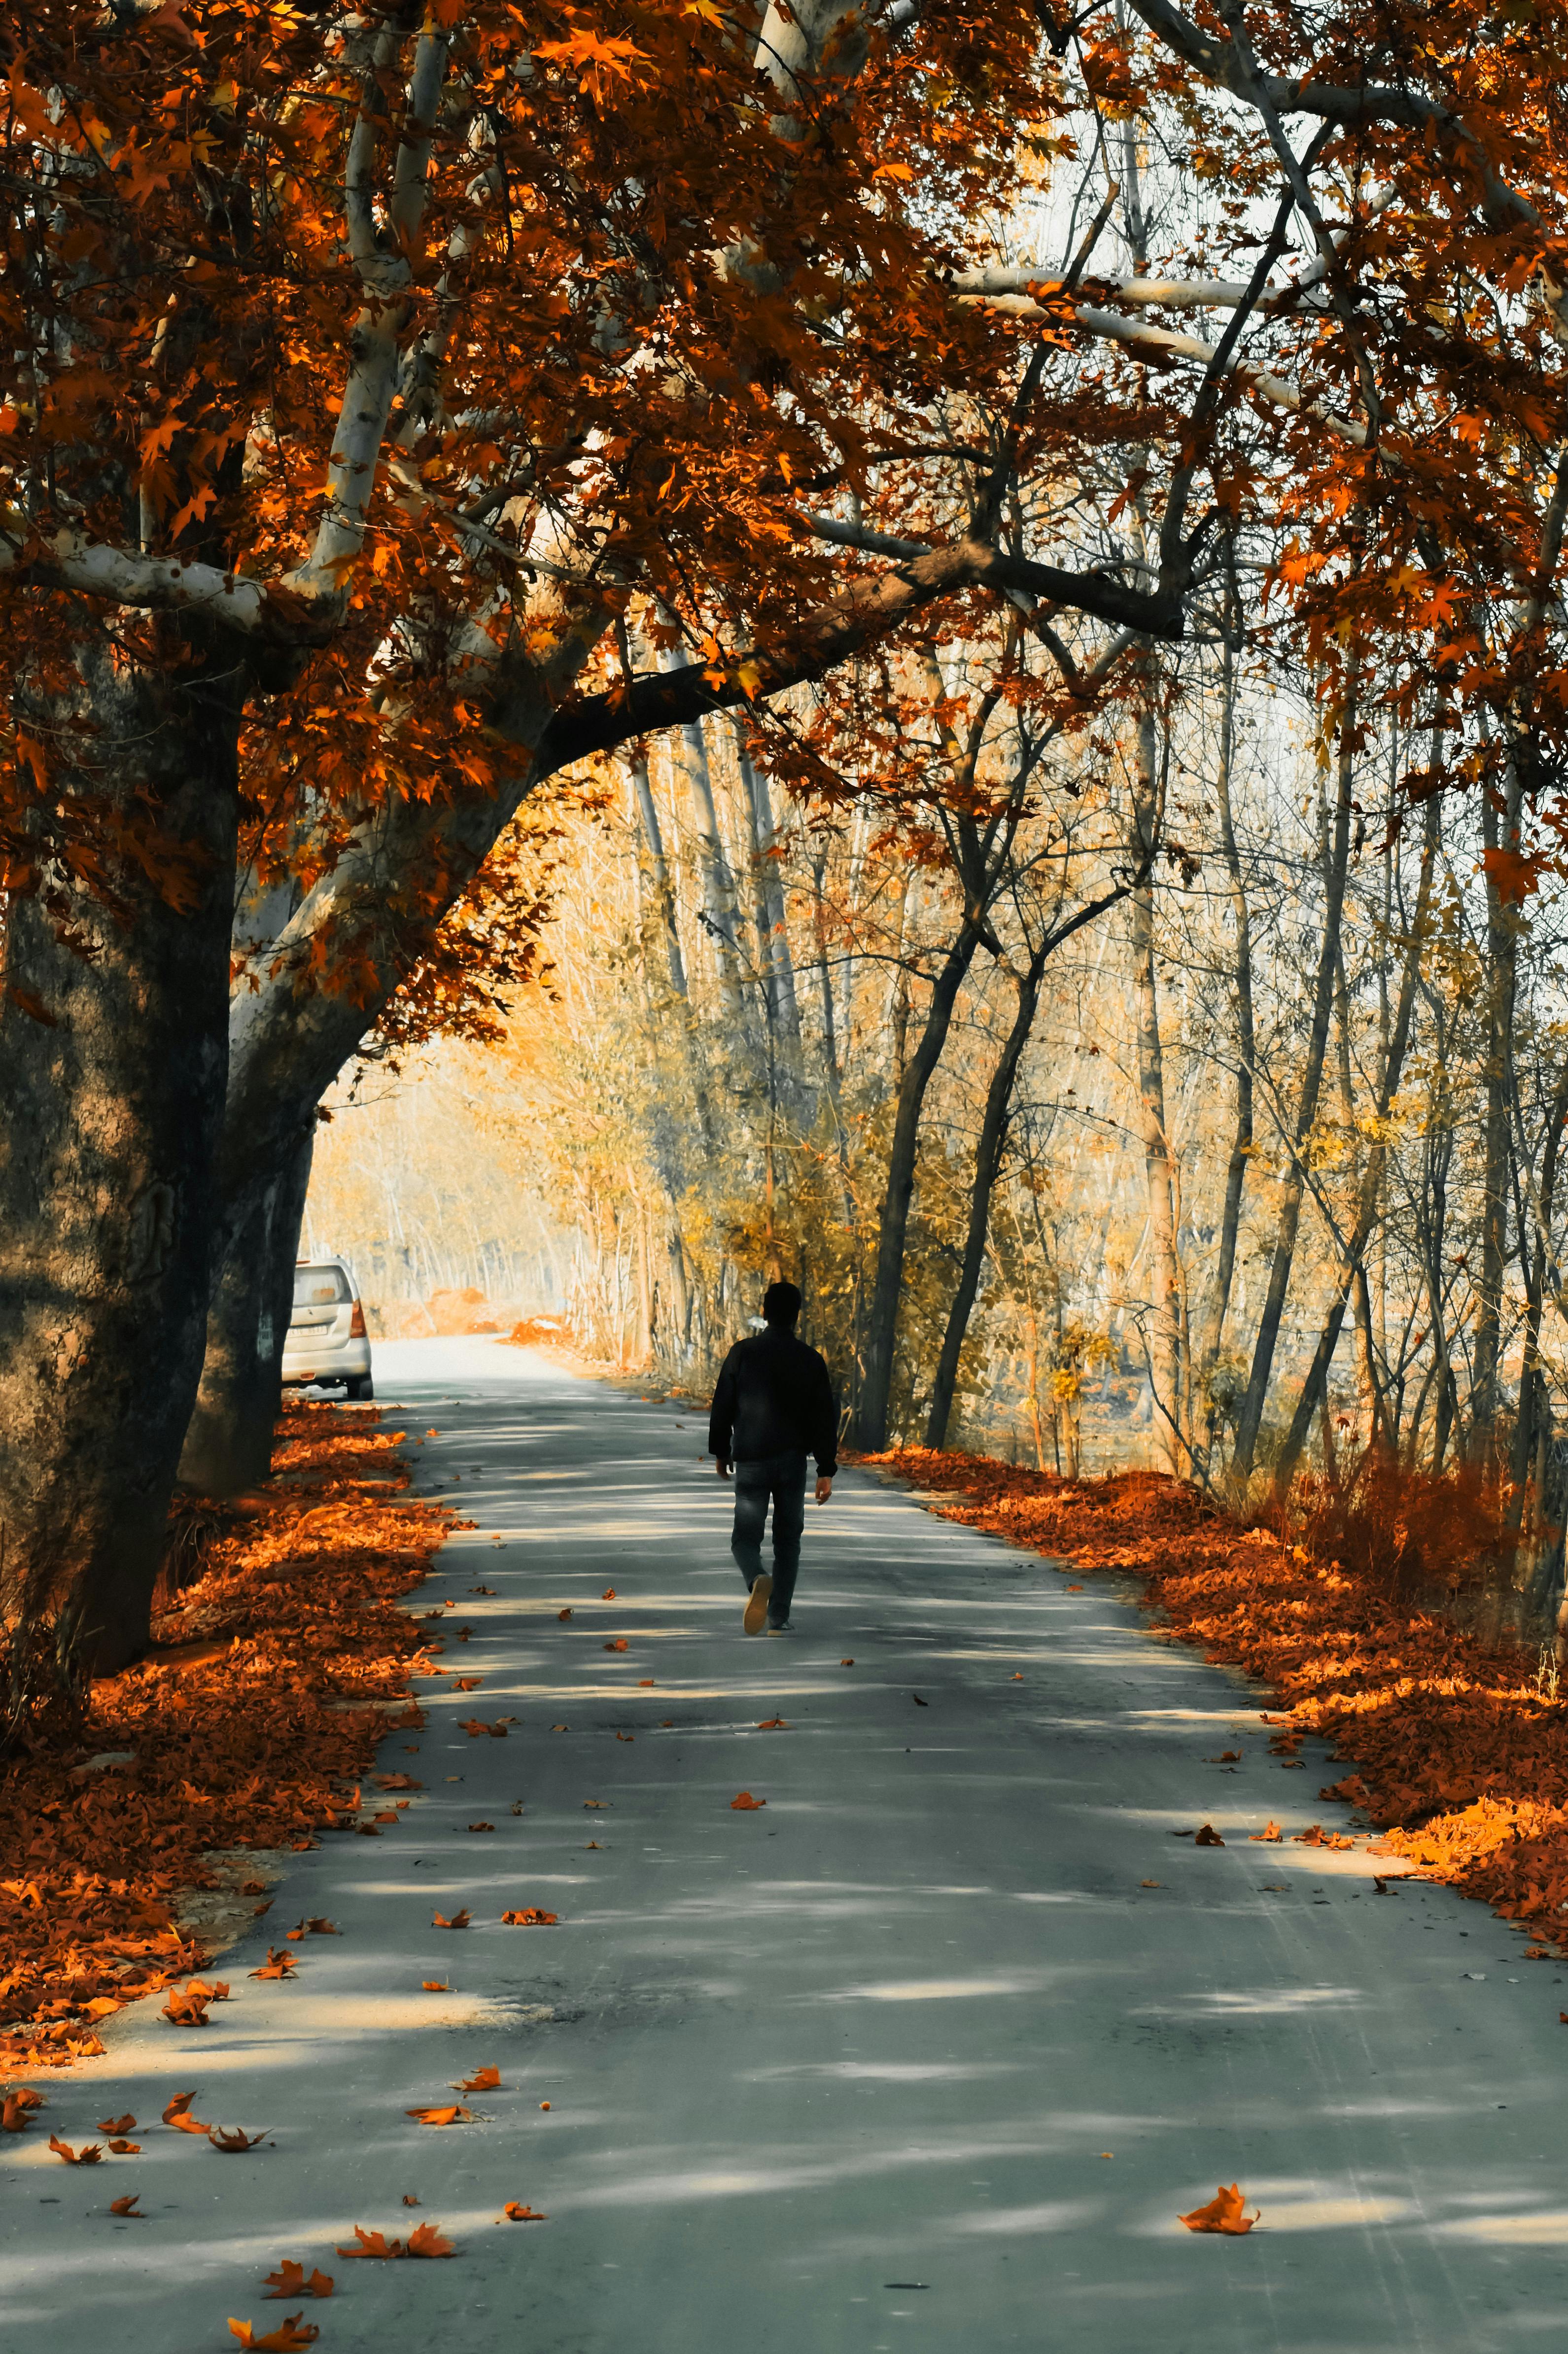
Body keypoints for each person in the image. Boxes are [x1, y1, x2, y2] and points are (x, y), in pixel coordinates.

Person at [707, 1280, 838, 1634]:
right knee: (787, 1540)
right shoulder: (811, 1360)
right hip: (792, 1463)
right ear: (797, 1316)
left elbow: (723, 1405)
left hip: (751, 1460)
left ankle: (757, 1577)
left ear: (764, 1312)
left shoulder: (742, 1353)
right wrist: (826, 1468)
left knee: (744, 1540)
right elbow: (825, 1416)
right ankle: (779, 1616)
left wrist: (721, 1450)